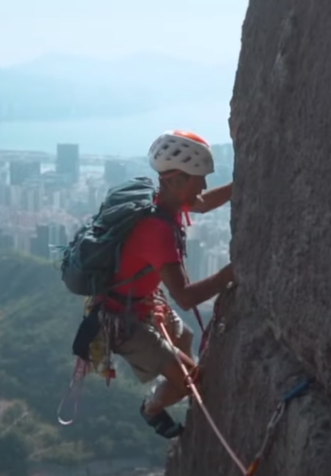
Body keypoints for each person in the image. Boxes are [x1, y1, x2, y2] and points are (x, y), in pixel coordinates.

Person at [99, 129, 235, 439]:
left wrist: (241, 186)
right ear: (175, 181)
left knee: (184, 339)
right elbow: (185, 298)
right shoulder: (156, 230)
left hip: (145, 304)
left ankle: (165, 383)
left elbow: (202, 203)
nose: (203, 184)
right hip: (124, 322)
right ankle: (151, 408)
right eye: (198, 178)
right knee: (192, 378)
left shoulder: (161, 200)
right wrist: (228, 274)